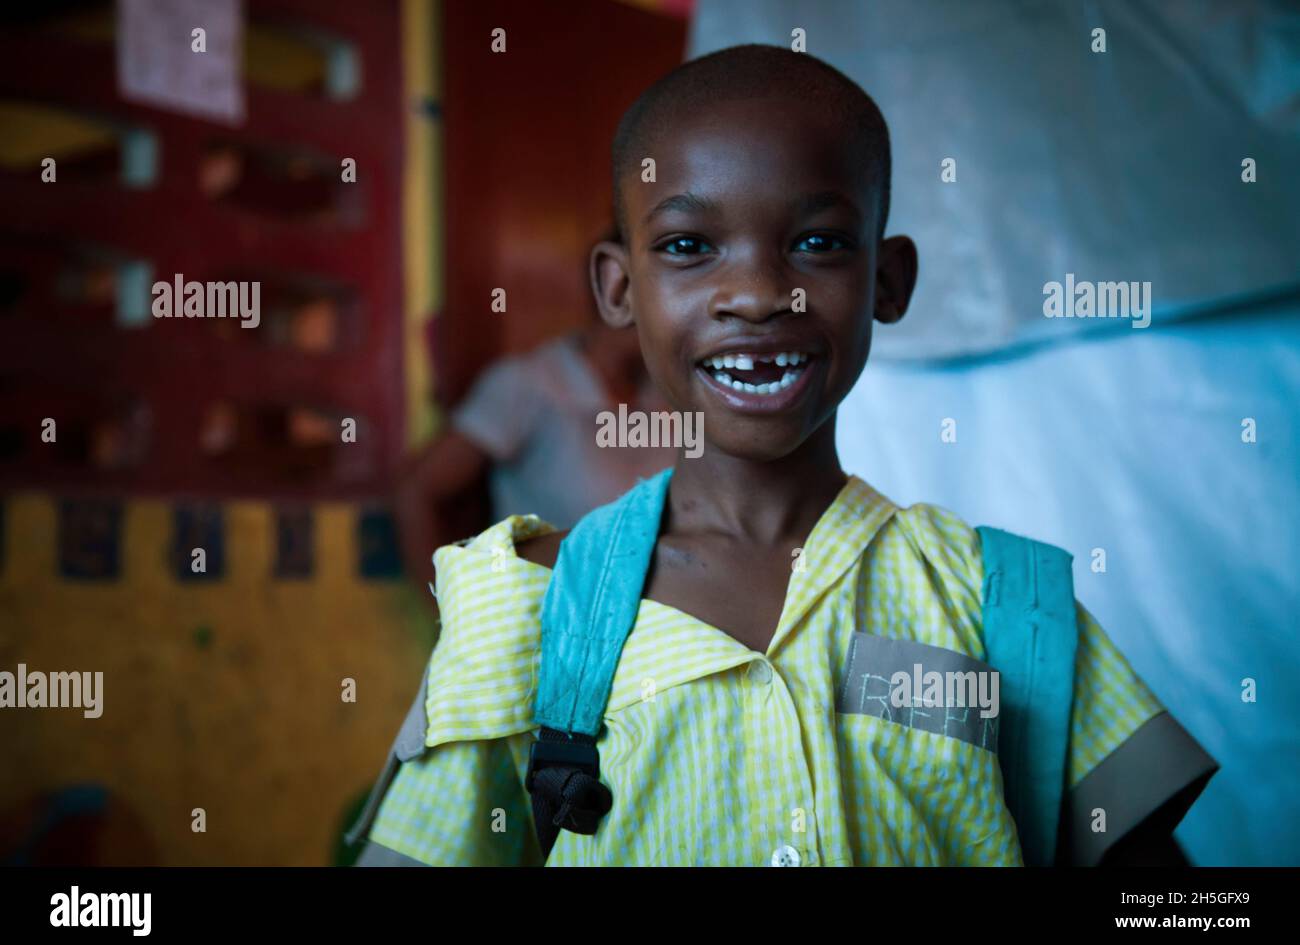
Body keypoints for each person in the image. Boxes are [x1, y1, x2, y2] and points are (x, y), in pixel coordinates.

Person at [350, 45, 1216, 866]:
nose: (760, 294)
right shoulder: (530, 614)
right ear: (620, 289)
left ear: (889, 280)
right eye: (689, 247)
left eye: (818, 242)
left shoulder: (998, 603)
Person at [395, 313, 675, 586]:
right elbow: (416, 489)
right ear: (617, 293)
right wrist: (448, 614)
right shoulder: (531, 385)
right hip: (546, 621)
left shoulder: (665, 394)